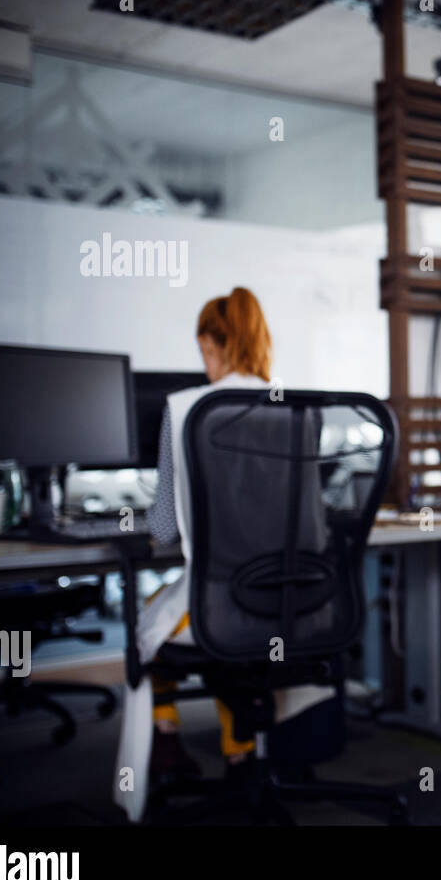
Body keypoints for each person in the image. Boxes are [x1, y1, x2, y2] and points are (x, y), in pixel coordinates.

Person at [114, 287, 330, 822]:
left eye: (203, 351)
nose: (203, 364)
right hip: (298, 604)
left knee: (149, 625)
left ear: (214, 343)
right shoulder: (298, 411)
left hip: (221, 609)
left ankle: (167, 740)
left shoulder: (187, 408)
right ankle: (239, 757)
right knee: (233, 637)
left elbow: (165, 527)